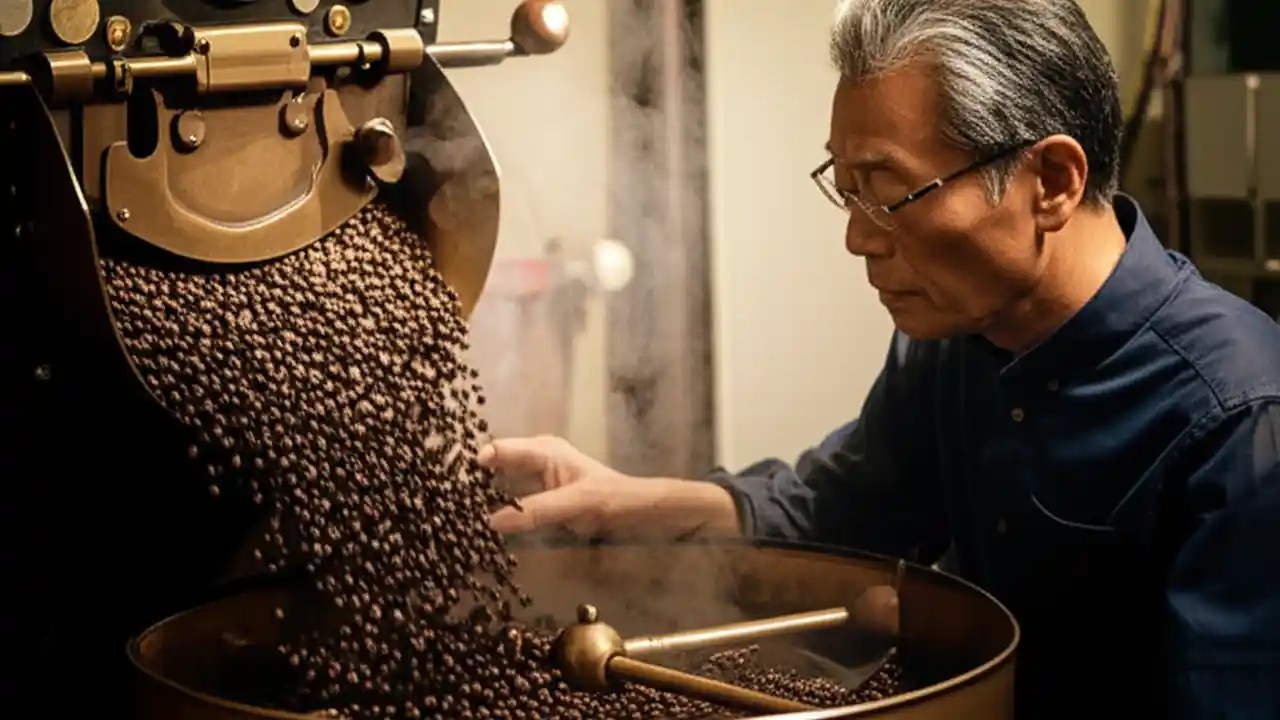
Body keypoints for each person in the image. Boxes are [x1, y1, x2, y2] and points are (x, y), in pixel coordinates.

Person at [479, 0, 1280, 717]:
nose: (858, 236)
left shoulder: (1238, 421)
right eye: (845, 183)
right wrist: (623, 500)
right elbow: (843, 510)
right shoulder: (961, 338)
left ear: (1053, 182)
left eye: (888, 191)